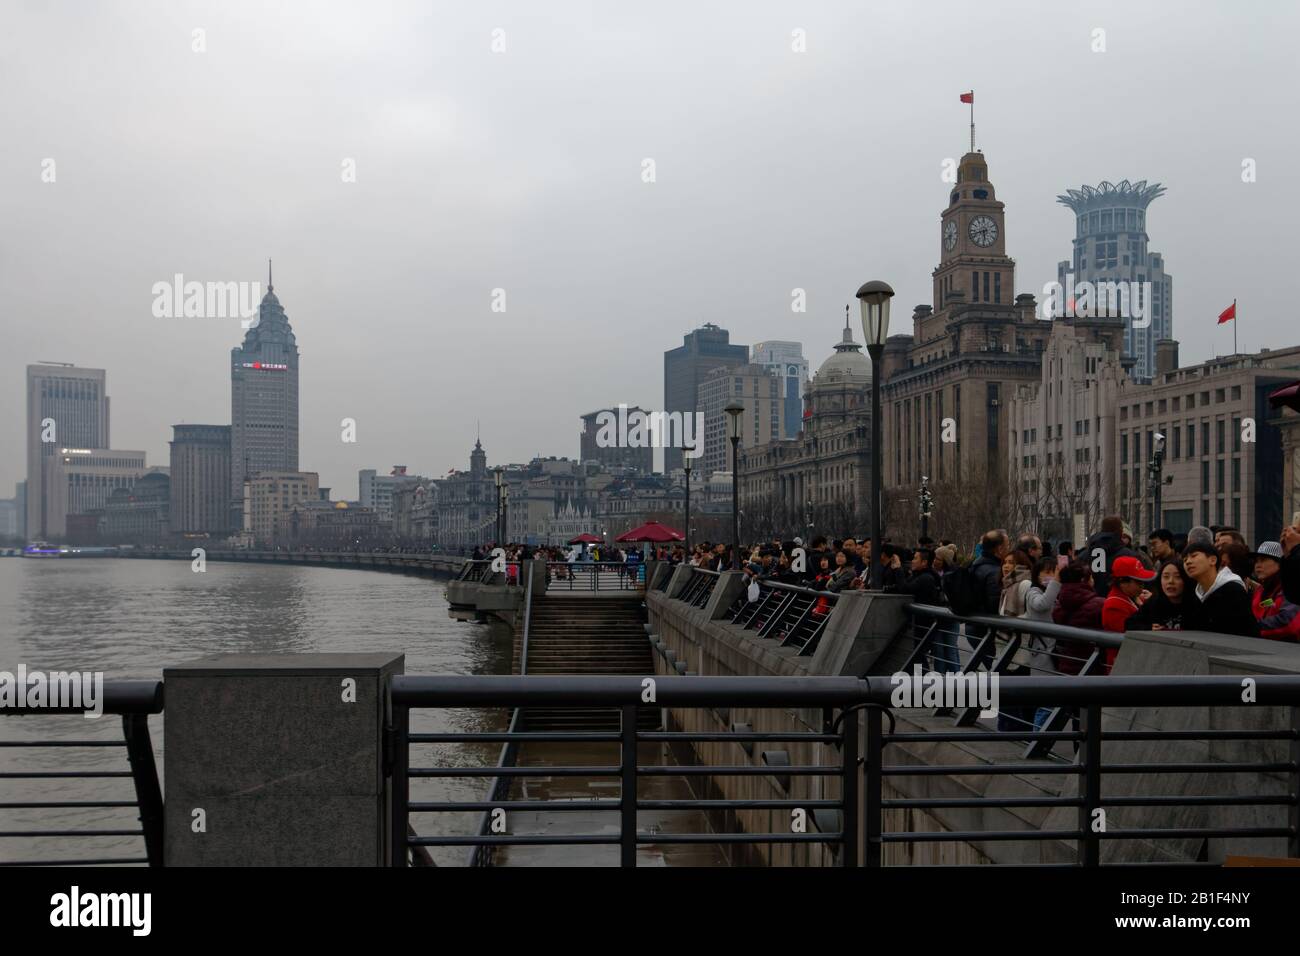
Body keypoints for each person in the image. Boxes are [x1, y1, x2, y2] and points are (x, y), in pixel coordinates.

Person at [1182, 543, 1260, 637]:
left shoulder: (1233, 590)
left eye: (1194, 556)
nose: (1188, 562)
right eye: (1185, 560)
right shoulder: (1193, 595)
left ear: (1213, 560)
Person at [1100, 555, 1157, 670]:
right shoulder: (1114, 605)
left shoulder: (1131, 596)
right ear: (1122, 582)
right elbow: (1130, 639)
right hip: (1122, 667)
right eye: (1139, 582)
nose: (1142, 585)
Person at [1052, 561, 1106, 675]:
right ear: (1083, 580)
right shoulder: (1099, 605)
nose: (1093, 579)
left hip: (1067, 663)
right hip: (1094, 665)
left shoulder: (1059, 605)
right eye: (1090, 577)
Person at [1250, 541, 1300, 642]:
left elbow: (1288, 622)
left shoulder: (1291, 588)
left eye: (1263, 560)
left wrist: (1252, 626)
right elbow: (1265, 605)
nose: (1258, 565)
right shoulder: (1261, 590)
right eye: (1256, 561)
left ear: (1280, 563)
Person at [1128, 559, 1194, 632]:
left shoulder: (1196, 605)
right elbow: (1129, 624)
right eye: (1166, 577)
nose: (1170, 581)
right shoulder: (1153, 603)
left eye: (1177, 577)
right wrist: (1148, 628)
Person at [1084, 515, 1141, 597]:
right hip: (1120, 602)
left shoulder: (1085, 555)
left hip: (1092, 603)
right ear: (1121, 532)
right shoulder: (1129, 556)